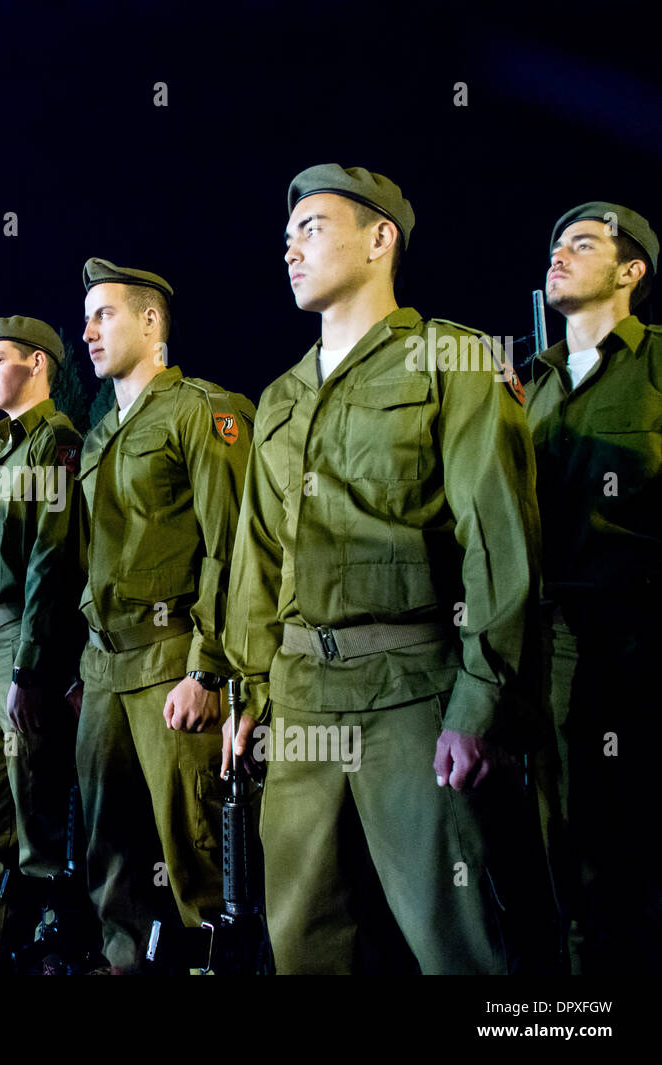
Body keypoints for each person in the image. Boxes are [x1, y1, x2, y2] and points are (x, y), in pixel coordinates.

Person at [224, 165, 545, 974]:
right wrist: (248, 691)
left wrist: (481, 702)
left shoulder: (452, 359)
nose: (292, 247)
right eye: (288, 233)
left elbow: (499, 539)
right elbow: (257, 559)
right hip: (299, 698)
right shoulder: (280, 397)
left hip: (412, 691)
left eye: (314, 226)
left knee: (456, 940)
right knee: (306, 937)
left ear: (379, 238)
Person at [72, 261, 255, 973]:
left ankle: (215, 962)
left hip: (173, 658)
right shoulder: (98, 436)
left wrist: (209, 667)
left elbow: (232, 546)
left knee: (194, 846)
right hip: (105, 665)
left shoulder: (203, 411)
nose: (88, 332)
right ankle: (127, 962)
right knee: (109, 846)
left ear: (151, 323)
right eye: (85, 318)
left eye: (104, 315)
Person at [525, 201, 662, 974]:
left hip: (637, 648)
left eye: (582, 243)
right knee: (560, 855)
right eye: (555, 244)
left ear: (630, 271)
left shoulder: (658, 364)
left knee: (632, 862)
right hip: (545, 647)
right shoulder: (529, 388)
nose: (559, 254)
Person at [0, 317, 86, 974]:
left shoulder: (55, 444)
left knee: (36, 809)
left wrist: (31, 668)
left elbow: (51, 563)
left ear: (38, 363)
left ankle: (43, 945)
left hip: (26, 650)